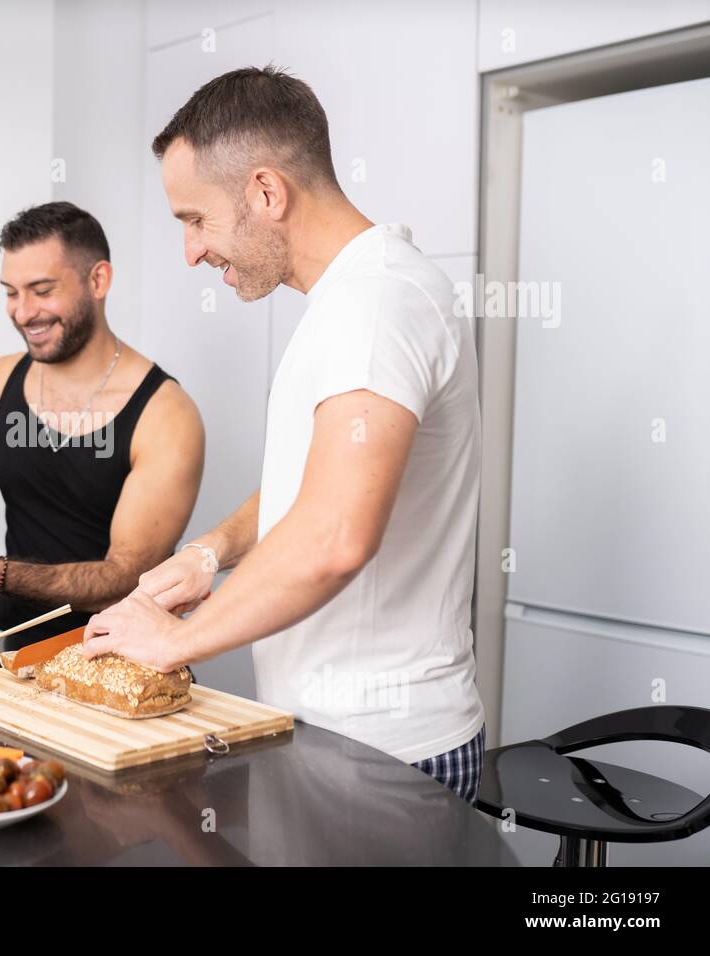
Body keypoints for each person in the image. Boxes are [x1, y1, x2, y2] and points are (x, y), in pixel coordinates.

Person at [83, 68, 486, 803]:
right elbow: (319, 480)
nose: (192, 252)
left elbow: (336, 533)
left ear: (267, 193)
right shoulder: (354, 298)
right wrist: (213, 552)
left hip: (380, 756)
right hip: (335, 735)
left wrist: (171, 642)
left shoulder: (375, 305)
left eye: (194, 219)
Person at [0, 201, 205, 649]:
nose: (23, 313)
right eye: (11, 292)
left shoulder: (166, 413)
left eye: (42, 291)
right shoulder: (1, 377)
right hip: (10, 654)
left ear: (98, 280)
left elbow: (126, 578)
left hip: (116, 659)